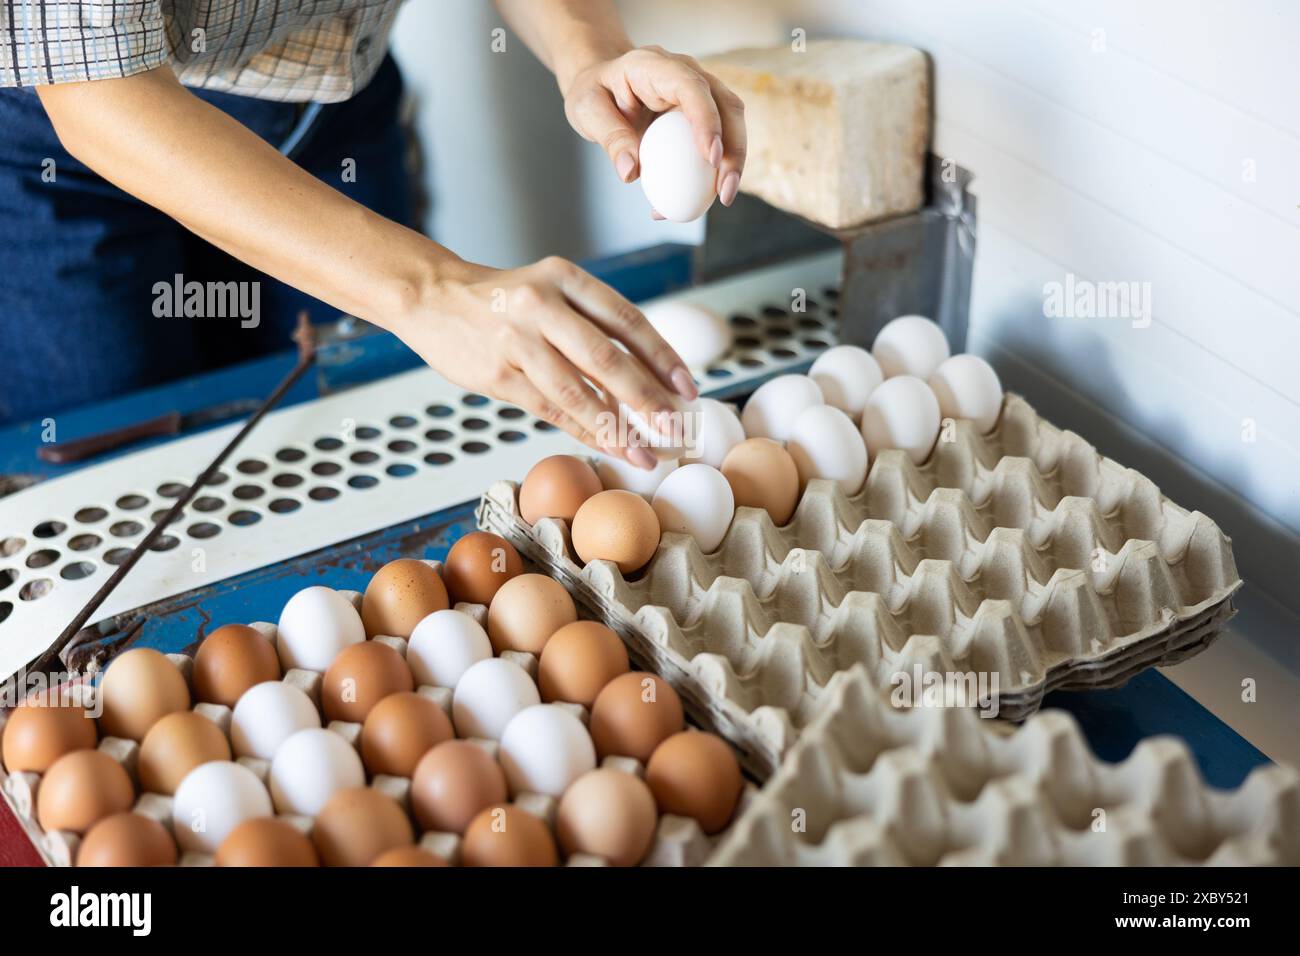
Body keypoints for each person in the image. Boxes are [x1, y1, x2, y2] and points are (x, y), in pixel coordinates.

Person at [0, 0, 746, 469]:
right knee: (114, 482)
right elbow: (95, 87)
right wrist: (429, 290)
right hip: (67, 145)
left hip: (329, 111)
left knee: (345, 451)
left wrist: (590, 52)